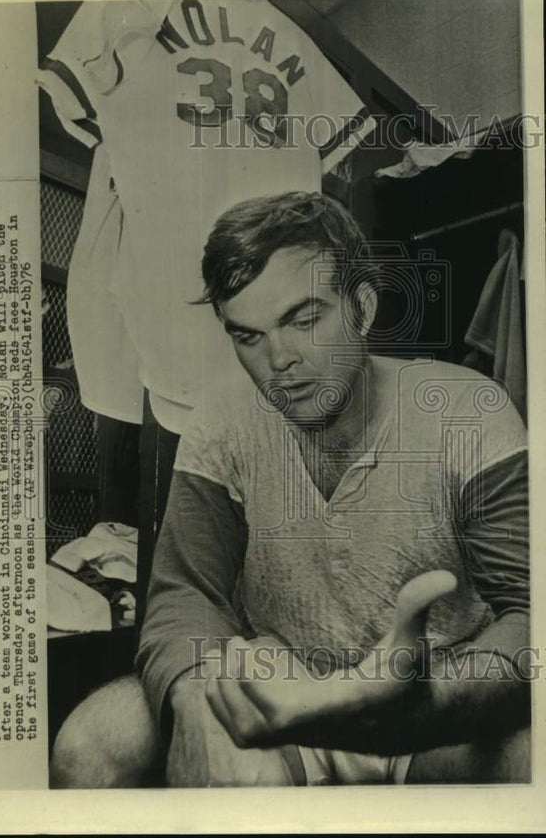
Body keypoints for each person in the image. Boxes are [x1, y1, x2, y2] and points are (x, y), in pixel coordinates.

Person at [50, 191, 530, 788]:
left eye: (304, 321)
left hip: (430, 686)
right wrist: (197, 698)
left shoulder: (467, 411)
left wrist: (424, 705)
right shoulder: (220, 422)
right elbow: (184, 594)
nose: (279, 360)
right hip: (281, 672)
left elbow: (531, 611)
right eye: (248, 336)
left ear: (364, 306)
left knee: (528, 761)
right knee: (89, 748)